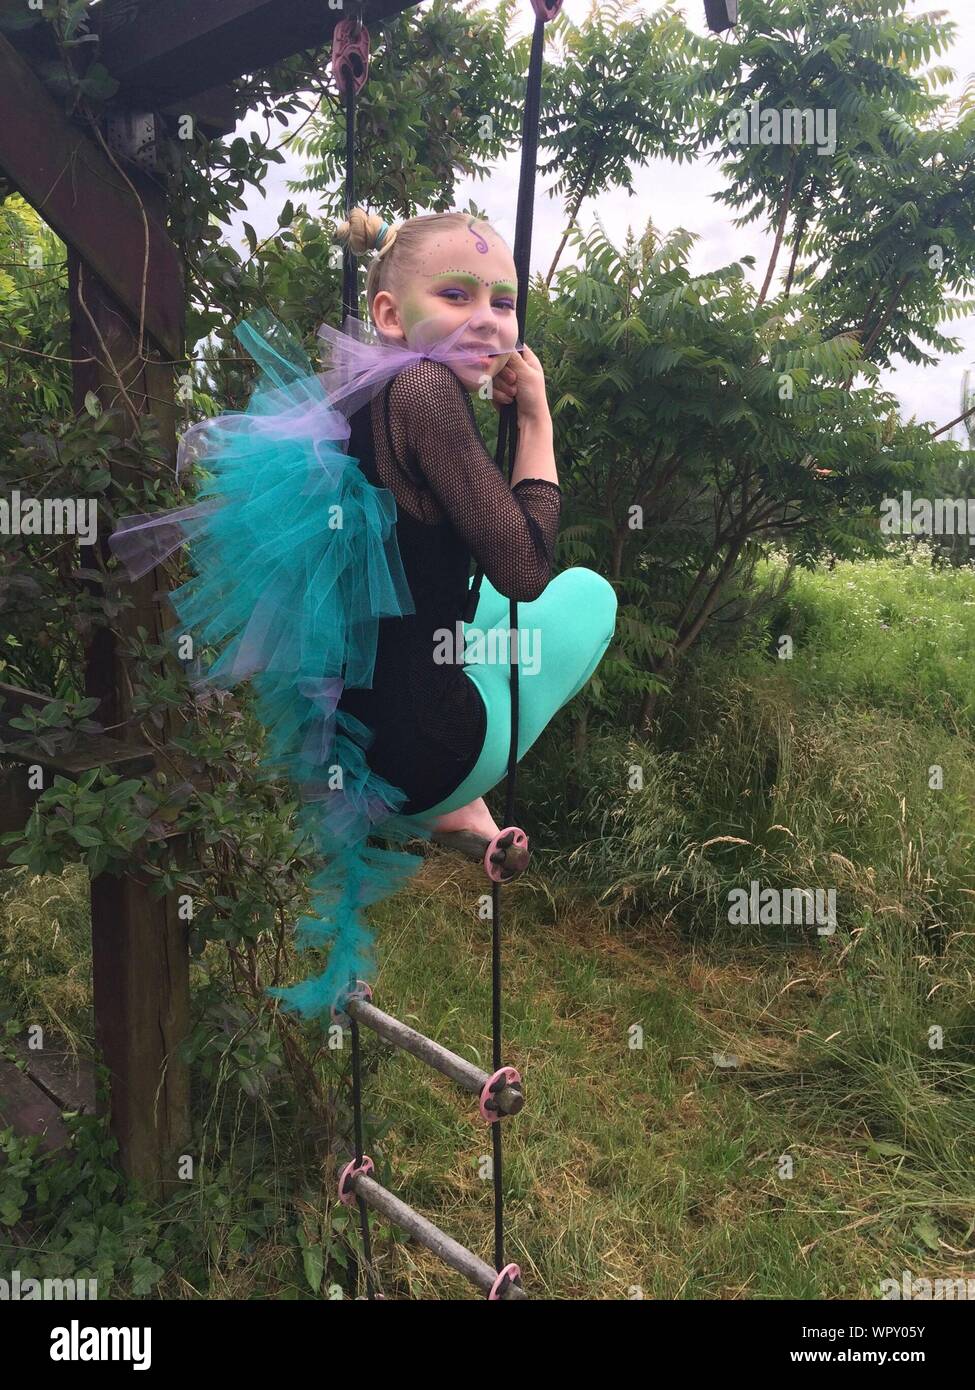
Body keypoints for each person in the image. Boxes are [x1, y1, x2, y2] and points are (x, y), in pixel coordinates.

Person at [107, 207, 617, 1020]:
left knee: (457, 603)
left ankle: (448, 808)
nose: (488, 320)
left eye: (504, 300)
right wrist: (533, 418)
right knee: (584, 596)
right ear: (388, 315)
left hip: (349, 752)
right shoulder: (422, 387)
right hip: (432, 753)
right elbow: (525, 566)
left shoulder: (349, 398)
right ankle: (453, 799)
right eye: (456, 294)